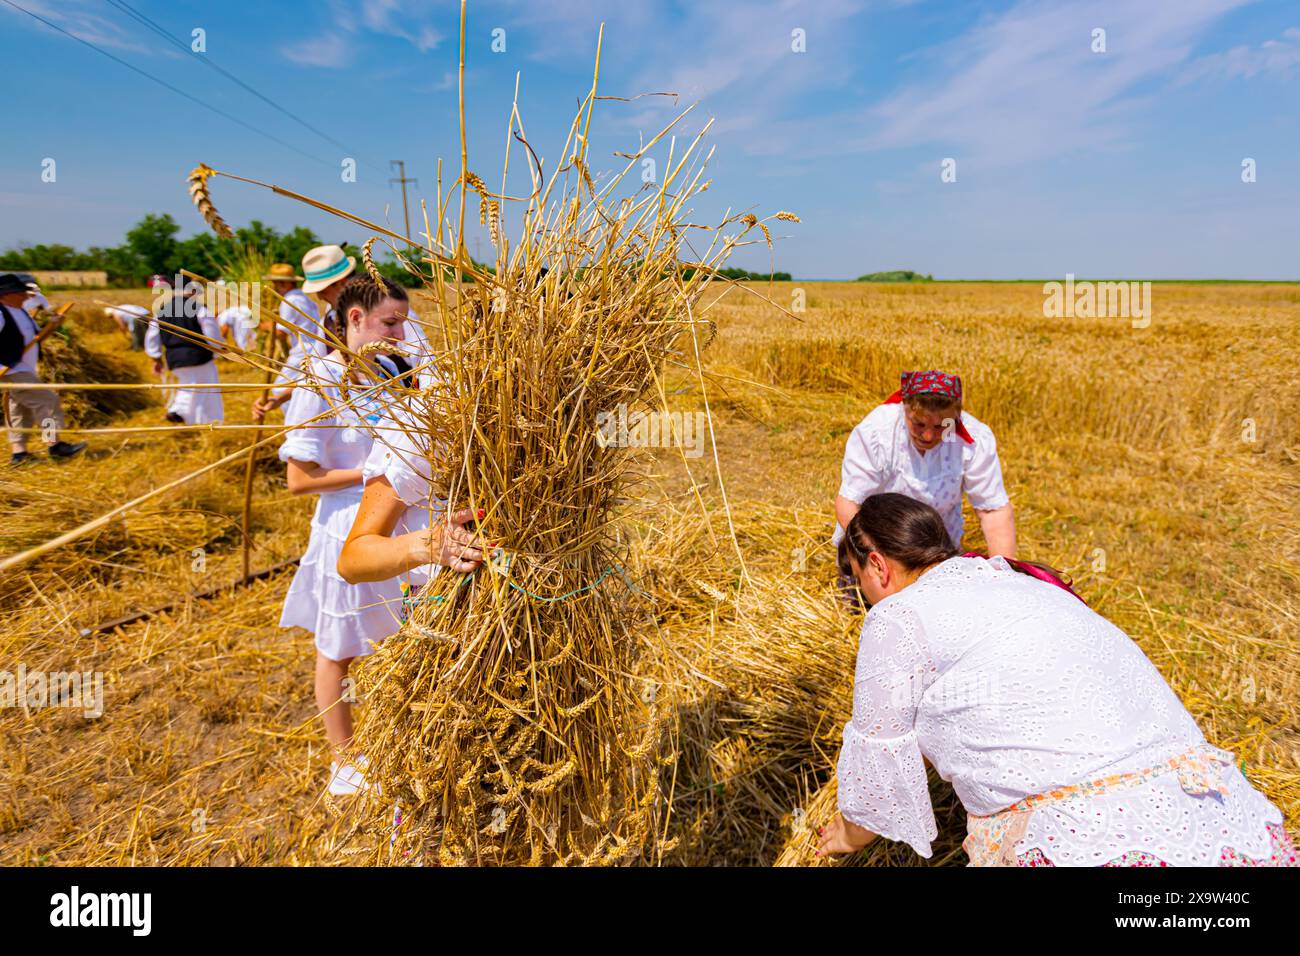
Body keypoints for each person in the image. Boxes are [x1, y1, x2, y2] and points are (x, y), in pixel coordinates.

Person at [817, 493, 1296, 867]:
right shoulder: (1019, 582)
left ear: (876, 564)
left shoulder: (899, 614)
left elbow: (881, 759)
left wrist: (846, 835)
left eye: (858, 579)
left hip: (1087, 837)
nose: (865, 598)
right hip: (1225, 817)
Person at [274, 275, 427, 796]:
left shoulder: (389, 371)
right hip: (346, 529)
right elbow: (299, 477)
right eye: (391, 322)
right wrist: (373, 470)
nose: (401, 333)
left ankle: (396, 739)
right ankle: (344, 760)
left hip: (393, 526)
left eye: (404, 321)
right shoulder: (318, 380)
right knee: (338, 645)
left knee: (393, 635)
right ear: (355, 319)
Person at [834, 370, 1015, 557]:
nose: (928, 436)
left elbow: (992, 511)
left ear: (956, 415)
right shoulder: (877, 432)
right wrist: (876, 555)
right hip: (875, 544)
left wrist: (1005, 572)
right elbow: (849, 503)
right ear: (904, 408)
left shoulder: (975, 440)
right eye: (918, 424)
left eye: (941, 426)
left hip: (937, 550)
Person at [0, 273, 87, 465]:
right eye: (20, 292)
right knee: (47, 400)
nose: (25, 296)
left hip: (24, 368)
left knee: (20, 409)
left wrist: (53, 325)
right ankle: (55, 445)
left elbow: (35, 340)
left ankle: (19, 454)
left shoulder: (21, 312)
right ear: (5, 295)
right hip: (10, 370)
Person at [255, 252, 351, 418]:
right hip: (316, 351)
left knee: (282, 388)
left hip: (303, 351)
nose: (319, 296)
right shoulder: (308, 301)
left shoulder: (290, 300)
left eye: (322, 289)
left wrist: (264, 326)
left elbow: (281, 331)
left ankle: (299, 418)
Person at [144, 275, 225, 425]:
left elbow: (152, 336)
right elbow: (212, 334)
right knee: (205, 390)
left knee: (190, 386)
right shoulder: (199, 308)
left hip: (174, 359)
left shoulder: (162, 310)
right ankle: (181, 412)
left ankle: (189, 418)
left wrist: (155, 357)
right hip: (198, 356)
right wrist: (220, 349)